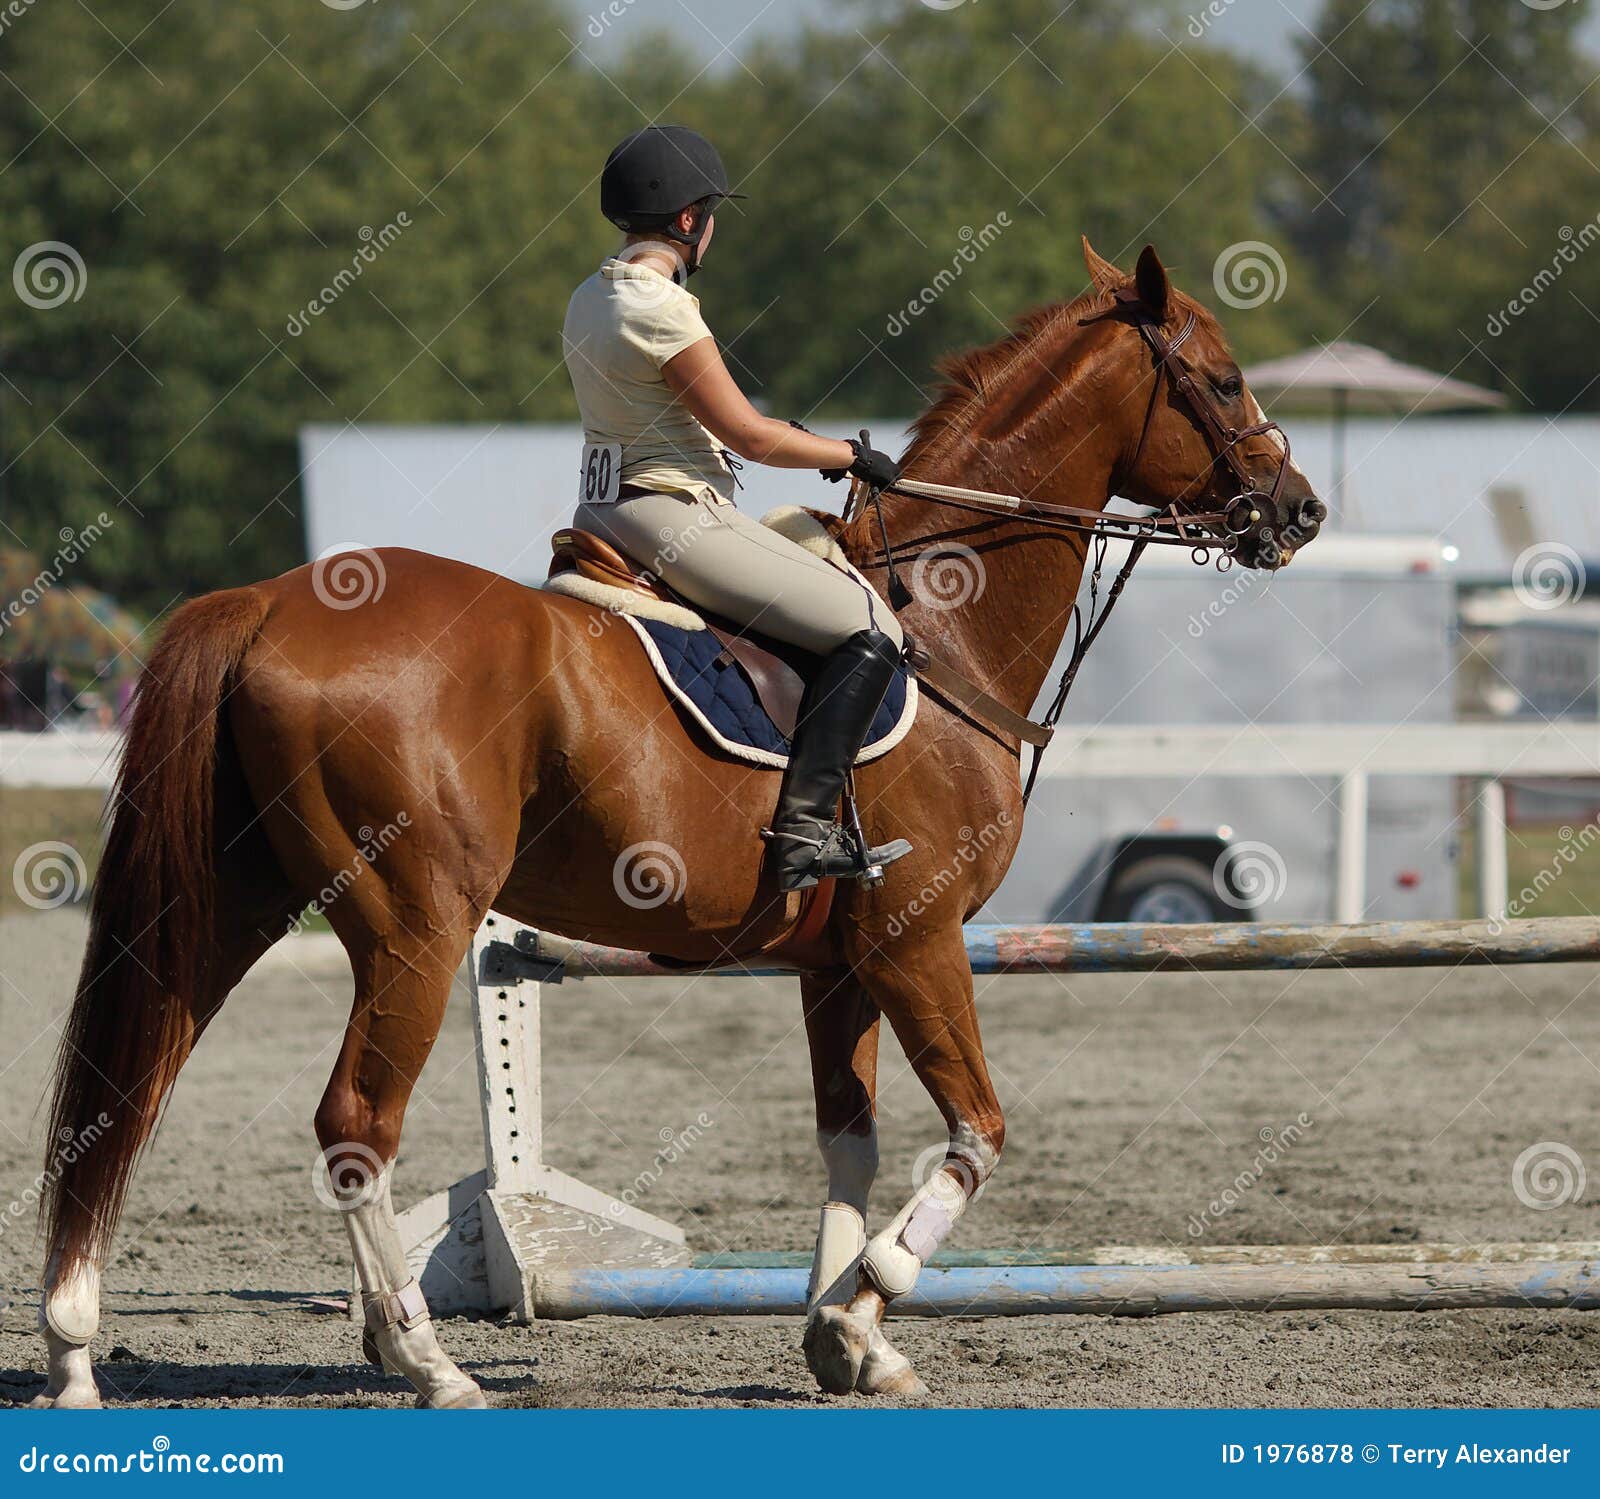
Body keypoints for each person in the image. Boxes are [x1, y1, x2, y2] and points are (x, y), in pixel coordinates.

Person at [563, 124, 912, 892]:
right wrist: (850, 456)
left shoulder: (589, 296)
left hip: (602, 512)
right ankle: (804, 832)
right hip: (673, 516)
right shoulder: (664, 310)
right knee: (871, 625)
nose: (711, 225)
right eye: (711, 212)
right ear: (689, 220)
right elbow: (750, 437)